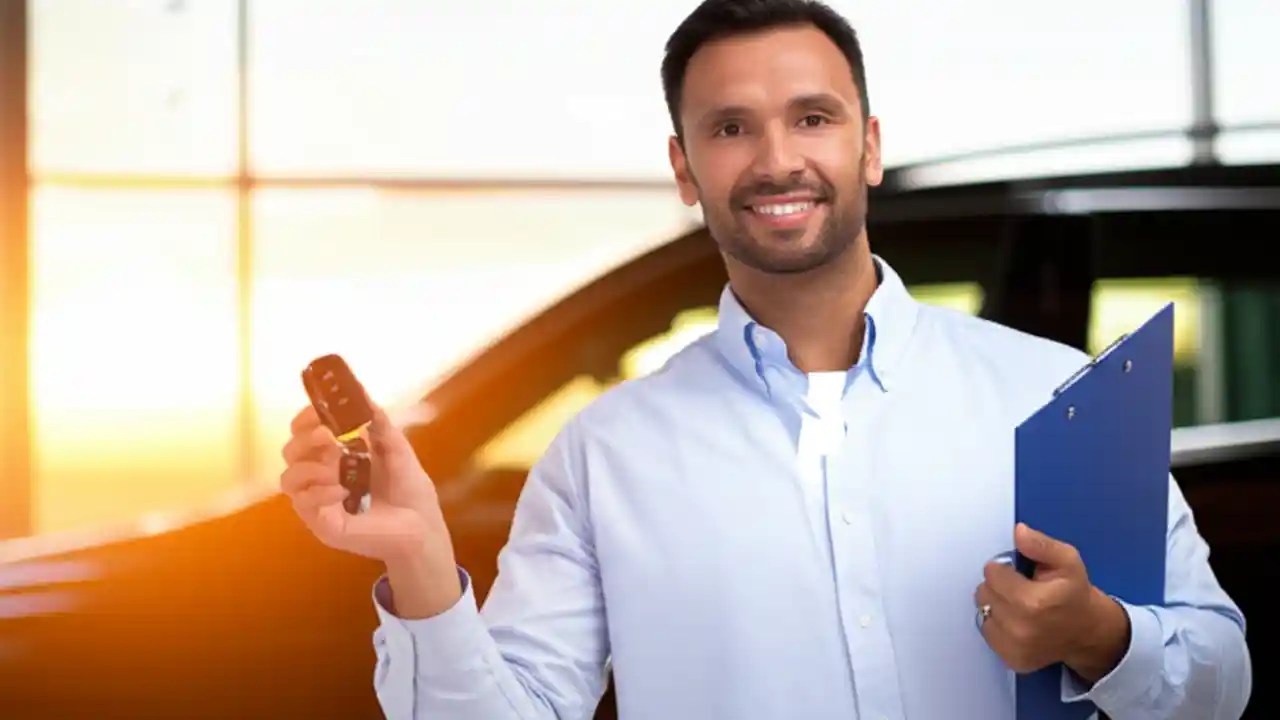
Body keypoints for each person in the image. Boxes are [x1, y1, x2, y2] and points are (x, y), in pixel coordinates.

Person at [279, 1, 1253, 718]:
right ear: (682, 169)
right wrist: (416, 555)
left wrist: (1098, 637)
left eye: (811, 117)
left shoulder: (1051, 394)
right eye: (730, 127)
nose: (776, 158)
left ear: (867, 146)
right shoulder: (599, 456)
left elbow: (1219, 679)